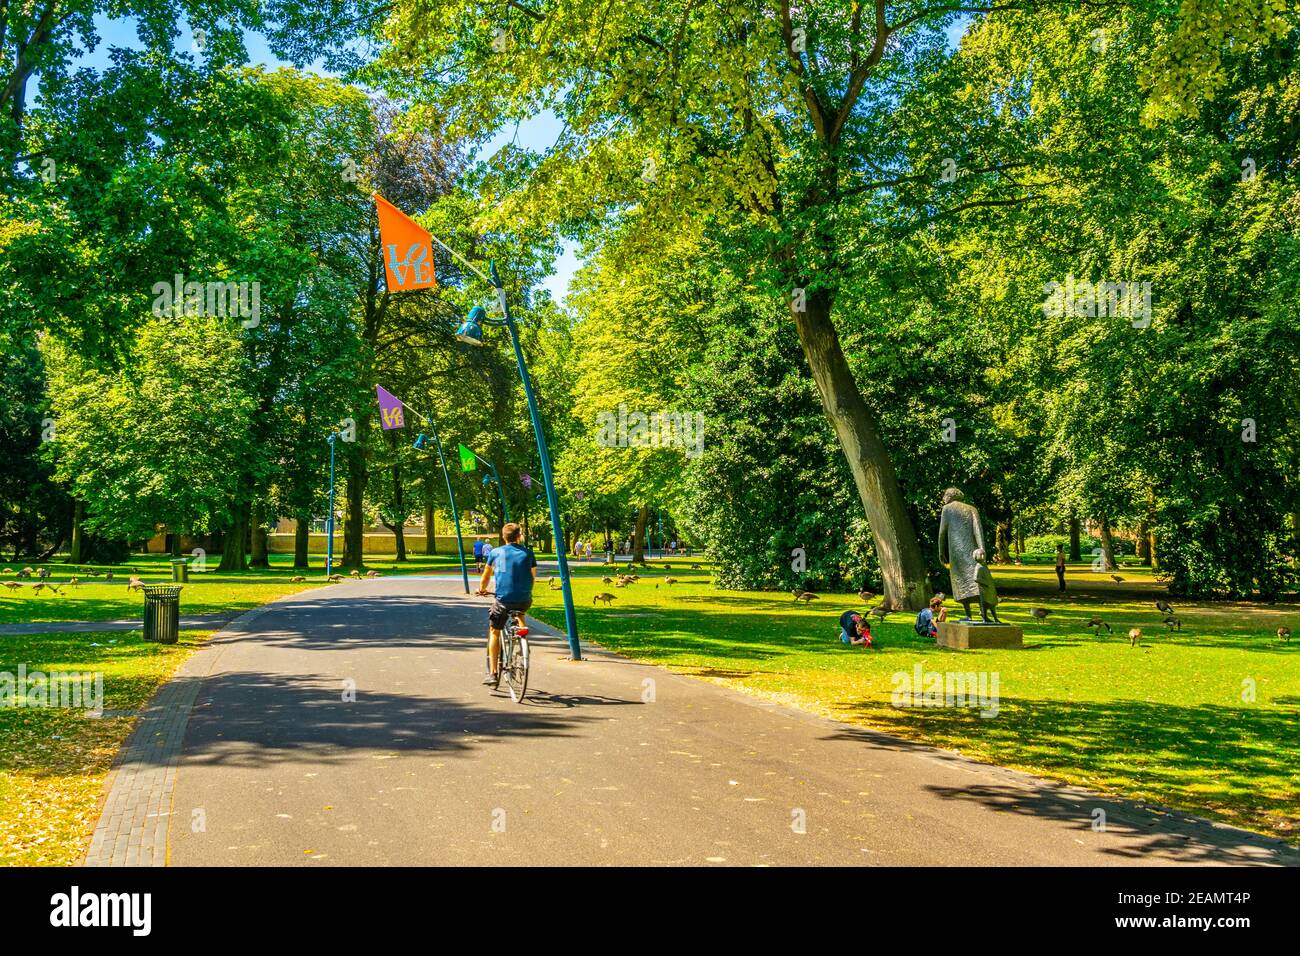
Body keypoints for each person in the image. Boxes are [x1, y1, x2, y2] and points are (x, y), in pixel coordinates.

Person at [476, 523, 537, 685]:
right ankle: (523, 636)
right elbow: (532, 577)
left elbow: (486, 577)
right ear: (519, 536)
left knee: (494, 631)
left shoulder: (496, 552)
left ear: (503, 537)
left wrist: (482, 589)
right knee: (520, 611)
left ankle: (493, 673)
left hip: (503, 600)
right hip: (524, 599)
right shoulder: (528, 553)